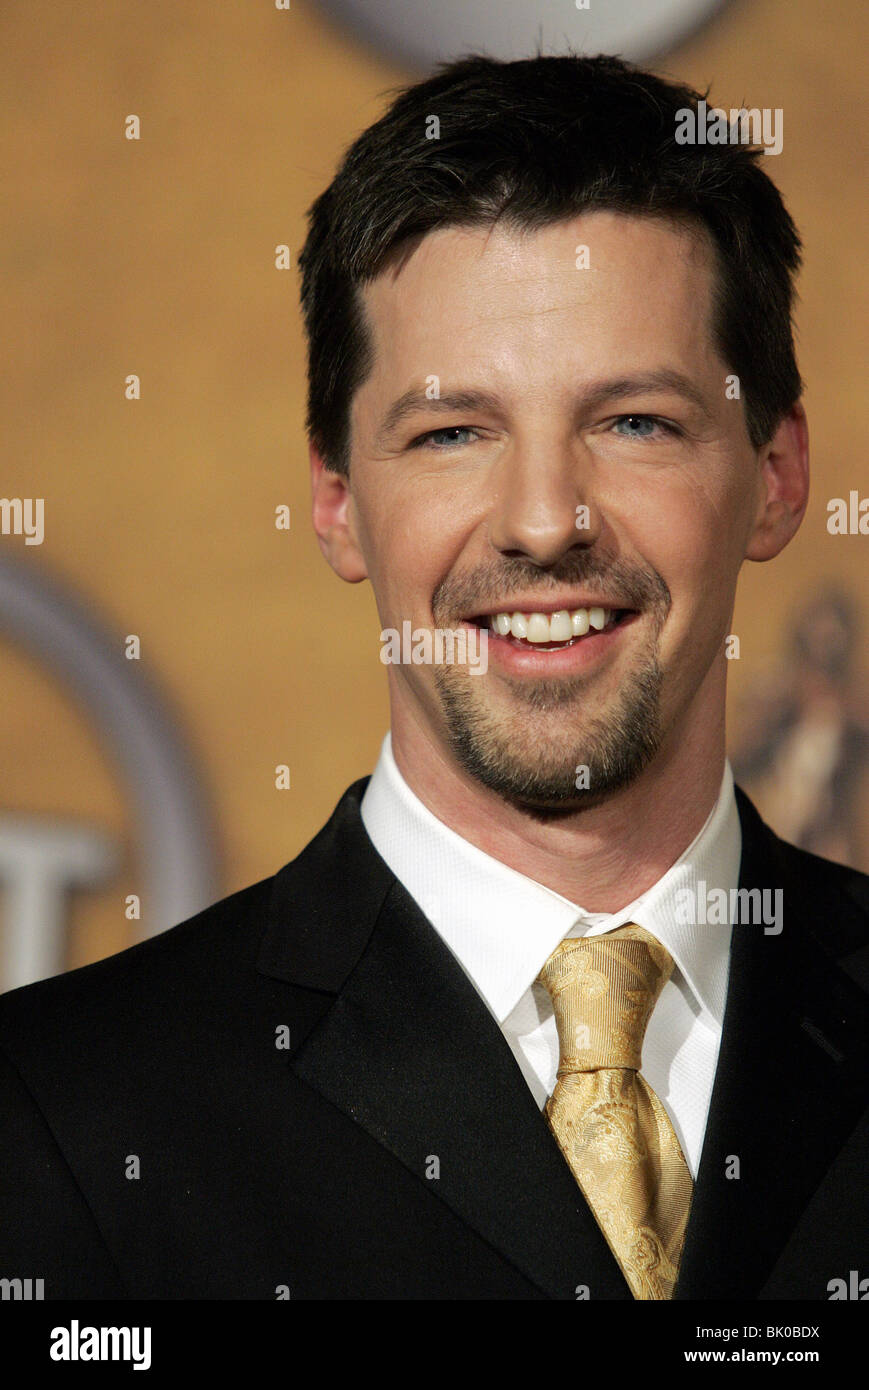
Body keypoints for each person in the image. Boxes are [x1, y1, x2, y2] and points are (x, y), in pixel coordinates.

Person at [1, 52, 866, 1302]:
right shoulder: (63, 1115)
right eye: (452, 432)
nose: (541, 521)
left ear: (775, 473)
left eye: (634, 421)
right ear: (338, 502)